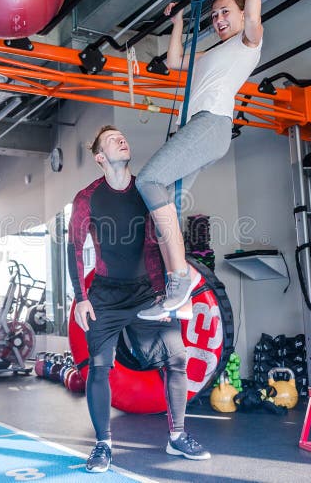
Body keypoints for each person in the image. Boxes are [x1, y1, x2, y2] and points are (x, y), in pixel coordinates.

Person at [68, 125, 210, 474]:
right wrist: (81, 297)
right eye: (111, 139)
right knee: (99, 367)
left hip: (148, 293)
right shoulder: (87, 198)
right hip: (105, 296)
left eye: (122, 136)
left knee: (176, 360)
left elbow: (168, 238)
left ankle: (177, 436)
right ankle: (103, 444)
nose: (121, 139)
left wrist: (172, 289)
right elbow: (73, 247)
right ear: (100, 157)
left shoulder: (148, 189)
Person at [136, 0, 263, 321]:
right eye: (215, 14)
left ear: (240, 13)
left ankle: (179, 280)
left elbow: (254, 18)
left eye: (226, 12)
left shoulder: (247, 44)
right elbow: (175, 62)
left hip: (212, 123)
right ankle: (181, 299)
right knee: (165, 208)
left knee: (147, 180)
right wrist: (178, 22)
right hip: (198, 130)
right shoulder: (210, 54)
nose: (219, 19)